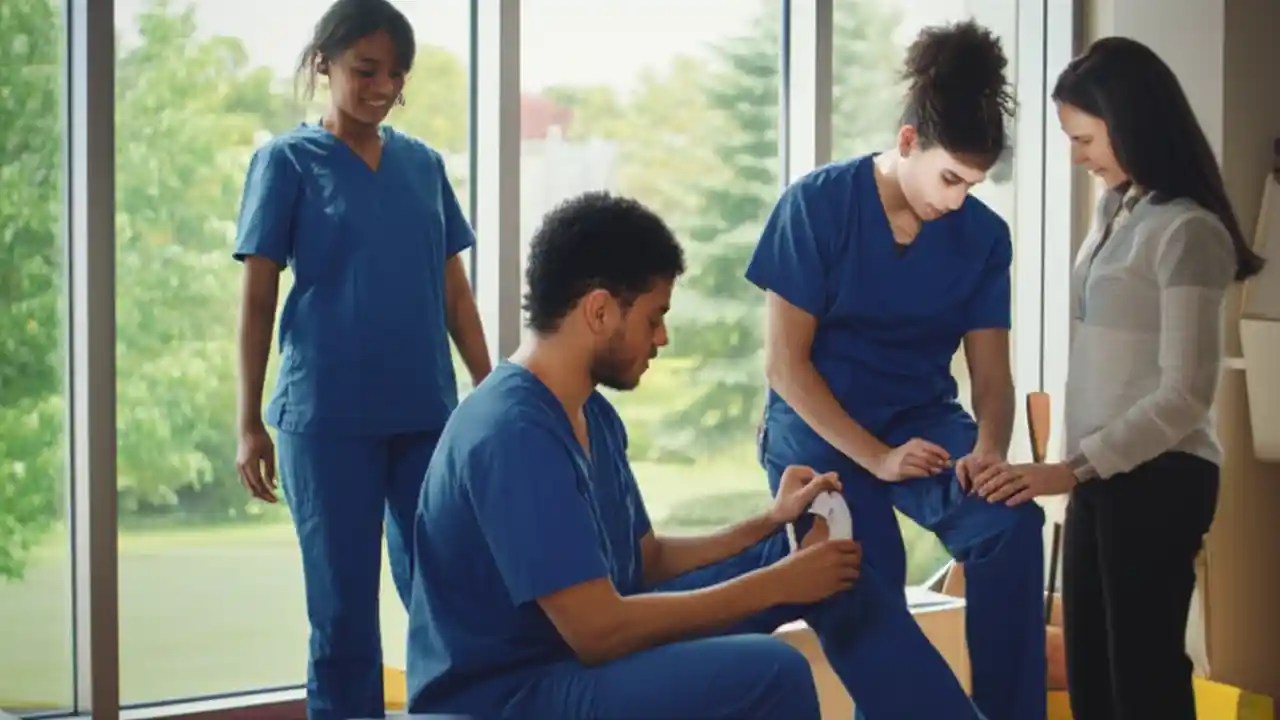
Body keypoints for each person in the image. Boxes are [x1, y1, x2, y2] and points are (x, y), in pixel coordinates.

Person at [405, 192, 987, 719]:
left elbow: (647, 559)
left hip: (572, 661)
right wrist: (779, 583)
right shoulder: (512, 433)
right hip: (512, 697)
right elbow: (599, 631)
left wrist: (772, 526)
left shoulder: (590, 413)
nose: (662, 338)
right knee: (772, 671)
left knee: (823, 562)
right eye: (654, 318)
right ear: (600, 310)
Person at [744, 19, 1046, 720]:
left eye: (972, 184)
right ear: (908, 142)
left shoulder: (981, 237)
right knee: (857, 589)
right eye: (948, 178)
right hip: (819, 435)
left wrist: (991, 450)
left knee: (1010, 524)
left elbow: (991, 378)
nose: (956, 199)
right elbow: (786, 367)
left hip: (922, 421)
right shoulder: (817, 205)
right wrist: (876, 458)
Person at [976, 37, 1265, 720]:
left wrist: (1071, 469)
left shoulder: (1188, 232)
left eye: (1084, 138)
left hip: (1162, 478)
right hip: (1105, 479)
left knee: (1143, 683)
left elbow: (1183, 394)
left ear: (1129, 120)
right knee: (1094, 680)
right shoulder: (1116, 211)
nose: (1076, 157)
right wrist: (1079, 470)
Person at [231, 0, 490, 716]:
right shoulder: (285, 162)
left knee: (444, 592)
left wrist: (491, 389)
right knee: (343, 614)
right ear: (324, 63)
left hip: (424, 415)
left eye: (396, 75)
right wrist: (248, 422)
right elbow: (256, 302)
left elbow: (455, 294)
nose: (381, 87)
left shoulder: (423, 165)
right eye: (365, 70)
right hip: (325, 420)